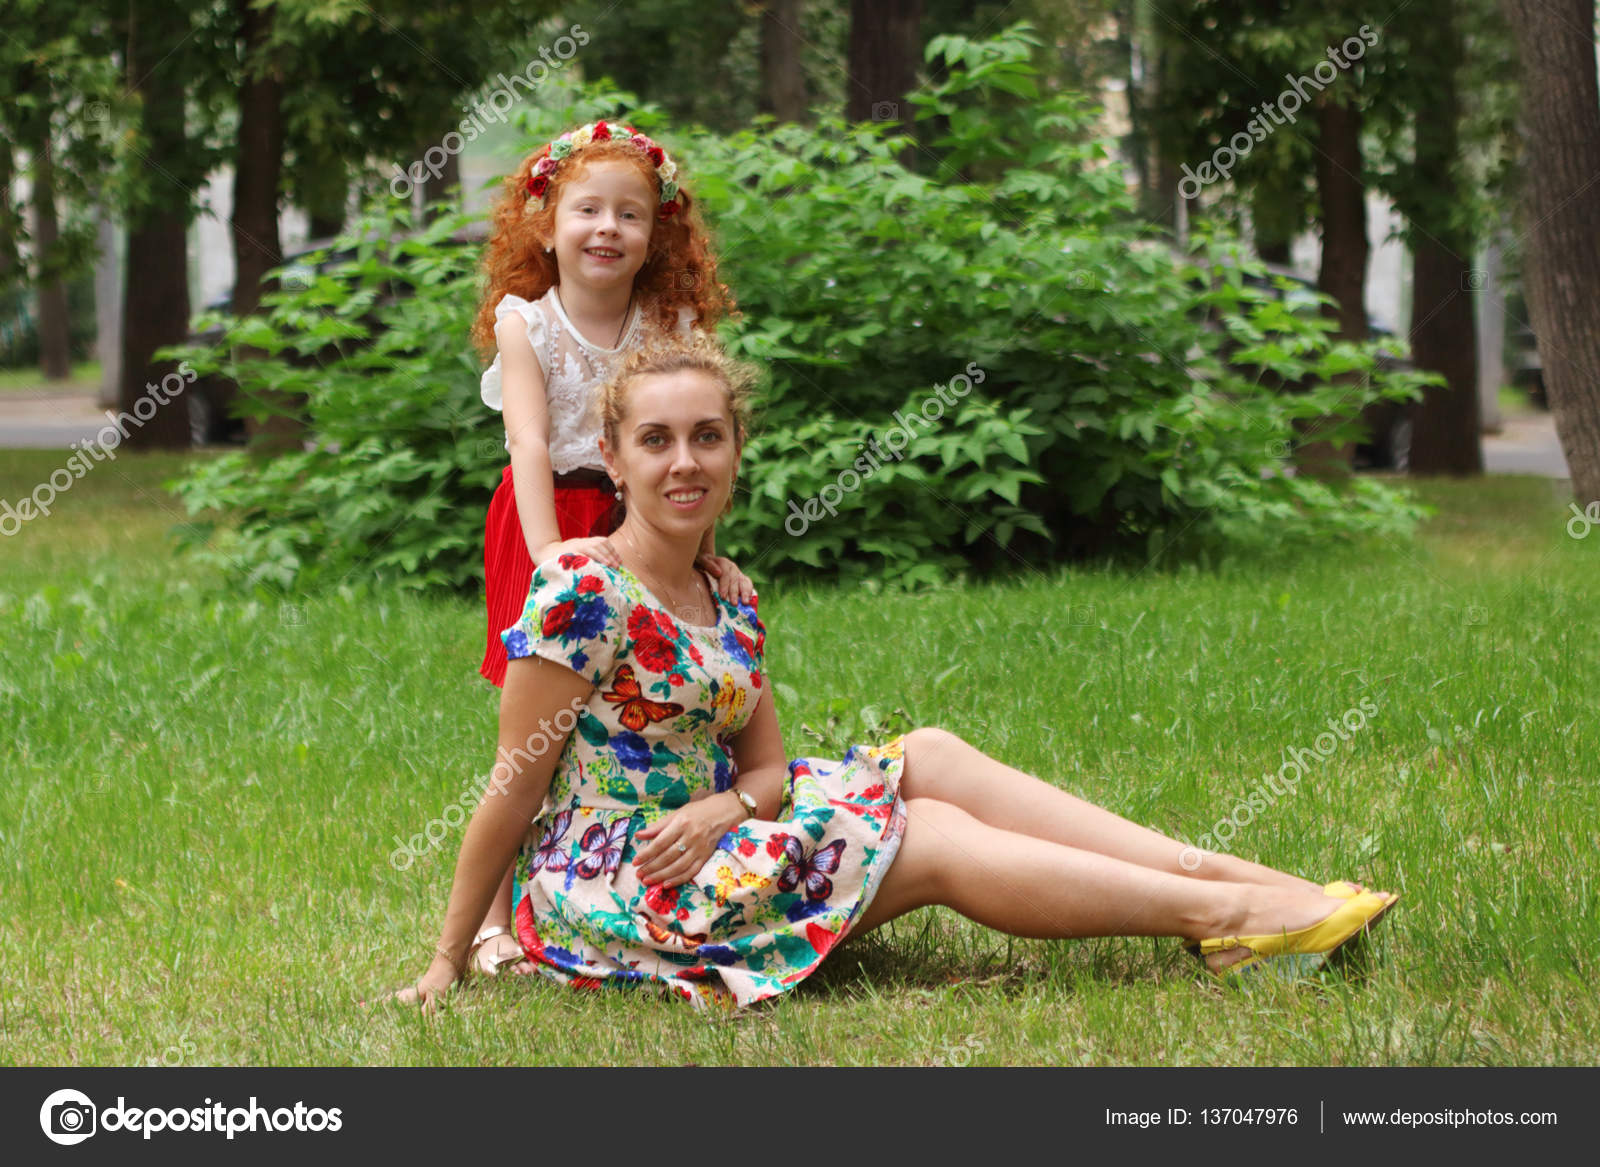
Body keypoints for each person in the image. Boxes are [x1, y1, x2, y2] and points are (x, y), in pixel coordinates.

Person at [394, 338, 1398, 1010]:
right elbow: (511, 784)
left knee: (930, 753)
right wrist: (451, 958)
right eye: (654, 441)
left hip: (712, 832)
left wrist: (725, 811)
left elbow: (770, 772)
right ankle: (1223, 919)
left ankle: (1246, 883)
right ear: (611, 460)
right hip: (618, 881)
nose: (683, 461)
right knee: (930, 839)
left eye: (707, 436)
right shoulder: (579, 593)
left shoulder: (728, 594)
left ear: (737, 450)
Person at [466, 120, 754, 976]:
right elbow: (526, 444)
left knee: (652, 695)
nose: (606, 228)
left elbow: (691, 458)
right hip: (547, 515)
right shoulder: (529, 324)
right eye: (586, 208)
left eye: (629, 213)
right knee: (536, 731)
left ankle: (659, 853)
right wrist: (557, 552)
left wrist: (705, 556)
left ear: (655, 232)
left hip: (650, 515)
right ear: (544, 225)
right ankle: (489, 920)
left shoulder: (671, 319)